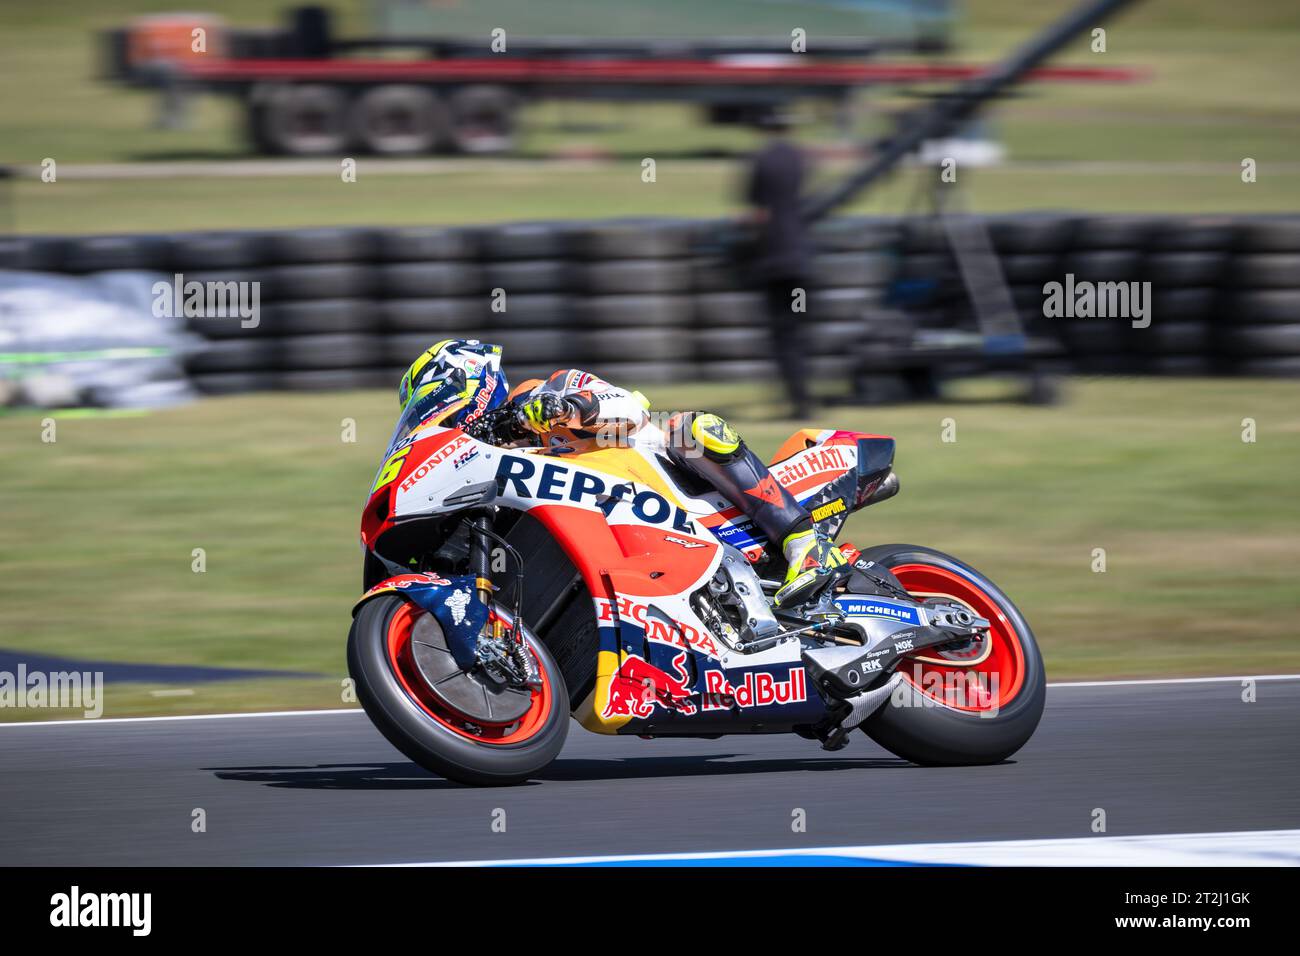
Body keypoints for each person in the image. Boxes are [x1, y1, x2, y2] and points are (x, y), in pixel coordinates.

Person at [397, 339, 847, 607]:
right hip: (629, 543)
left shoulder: (542, 393)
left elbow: (631, 409)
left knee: (690, 427)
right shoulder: (484, 464)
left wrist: (567, 407)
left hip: (681, 495)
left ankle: (804, 545)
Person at [744, 107, 813, 418]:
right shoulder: (800, 158)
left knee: (783, 334)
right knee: (798, 332)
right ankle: (804, 396)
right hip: (802, 255)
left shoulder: (762, 160)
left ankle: (798, 403)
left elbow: (759, 211)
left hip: (775, 259)